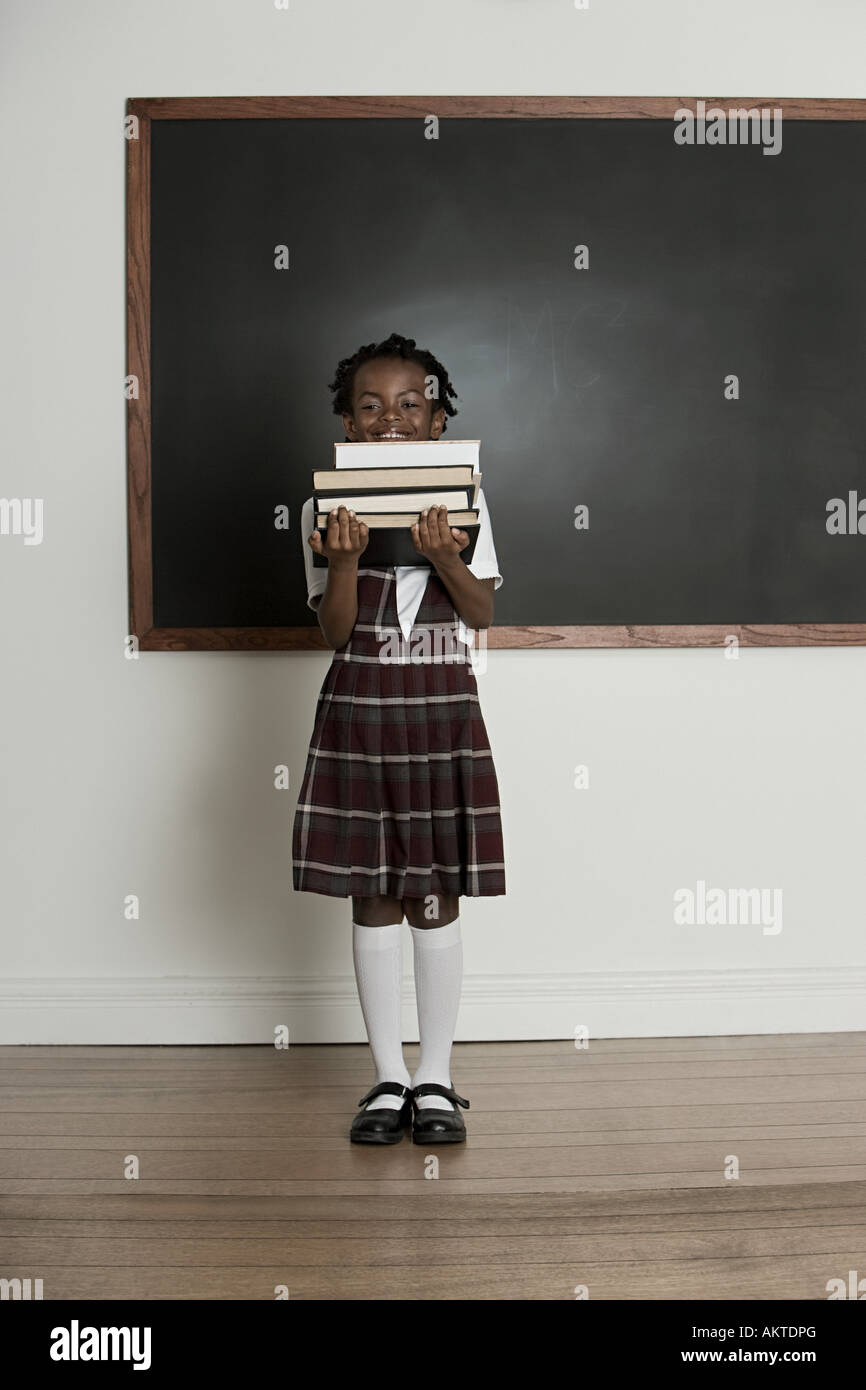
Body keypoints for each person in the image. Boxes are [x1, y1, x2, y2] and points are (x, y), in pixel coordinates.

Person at [292, 332, 506, 1146]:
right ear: (347, 426)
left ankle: (437, 1078)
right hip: (362, 706)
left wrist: (446, 554)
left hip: (442, 705)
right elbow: (335, 630)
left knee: (435, 890)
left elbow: (481, 614)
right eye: (370, 406)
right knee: (373, 890)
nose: (391, 418)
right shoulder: (323, 508)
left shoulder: (471, 502)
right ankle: (386, 1077)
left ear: (437, 418)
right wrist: (342, 564)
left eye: (409, 405)